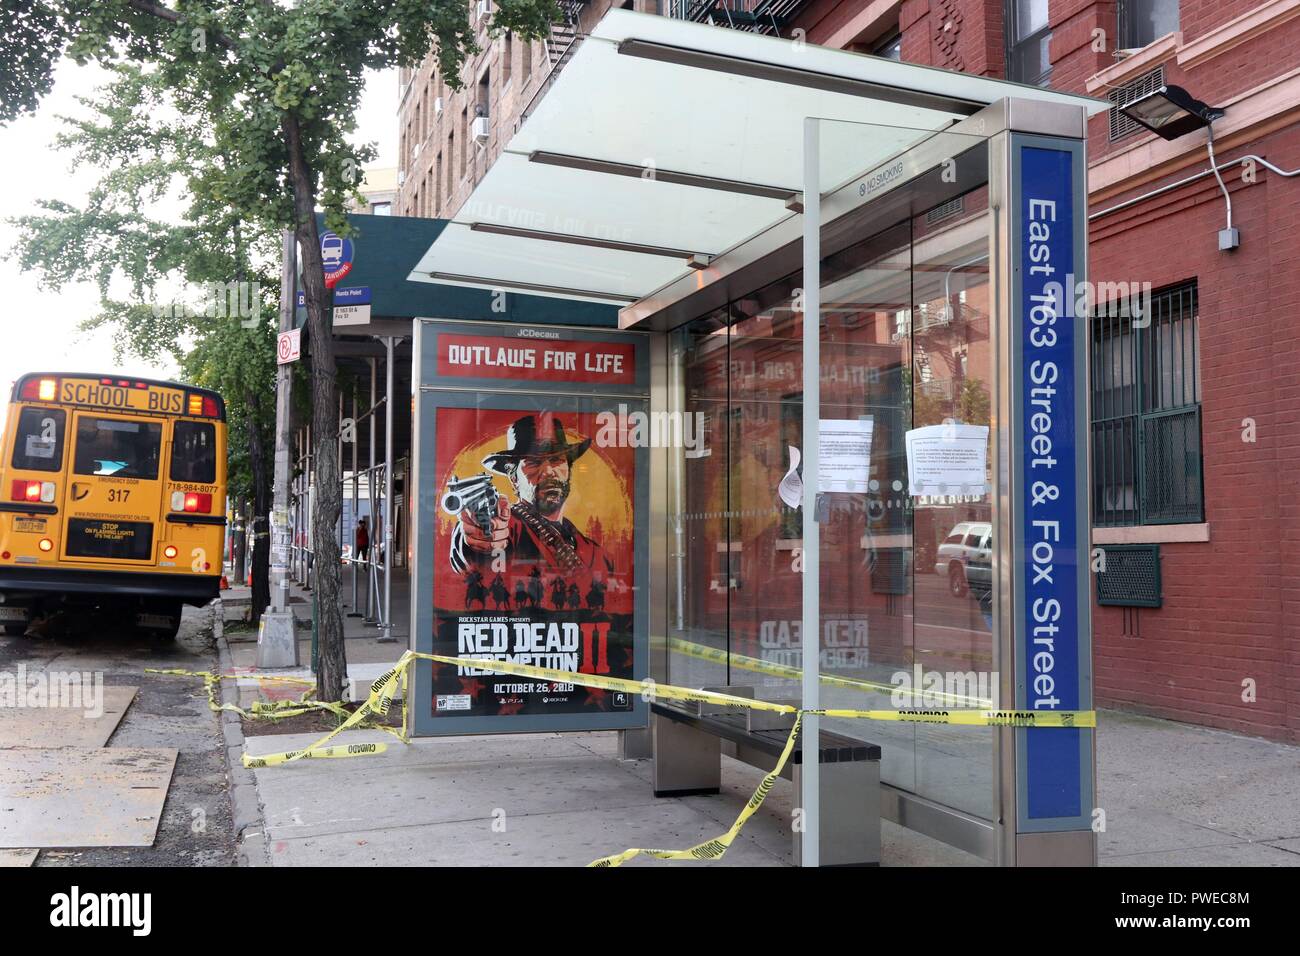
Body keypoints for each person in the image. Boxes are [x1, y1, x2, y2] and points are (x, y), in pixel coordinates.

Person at [450, 414, 613, 580]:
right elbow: (479, 552)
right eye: (533, 463)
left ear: (569, 469)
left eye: (556, 459)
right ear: (514, 479)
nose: (549, 472)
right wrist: (477, 537)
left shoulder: (596, 553)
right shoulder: (508, 526)